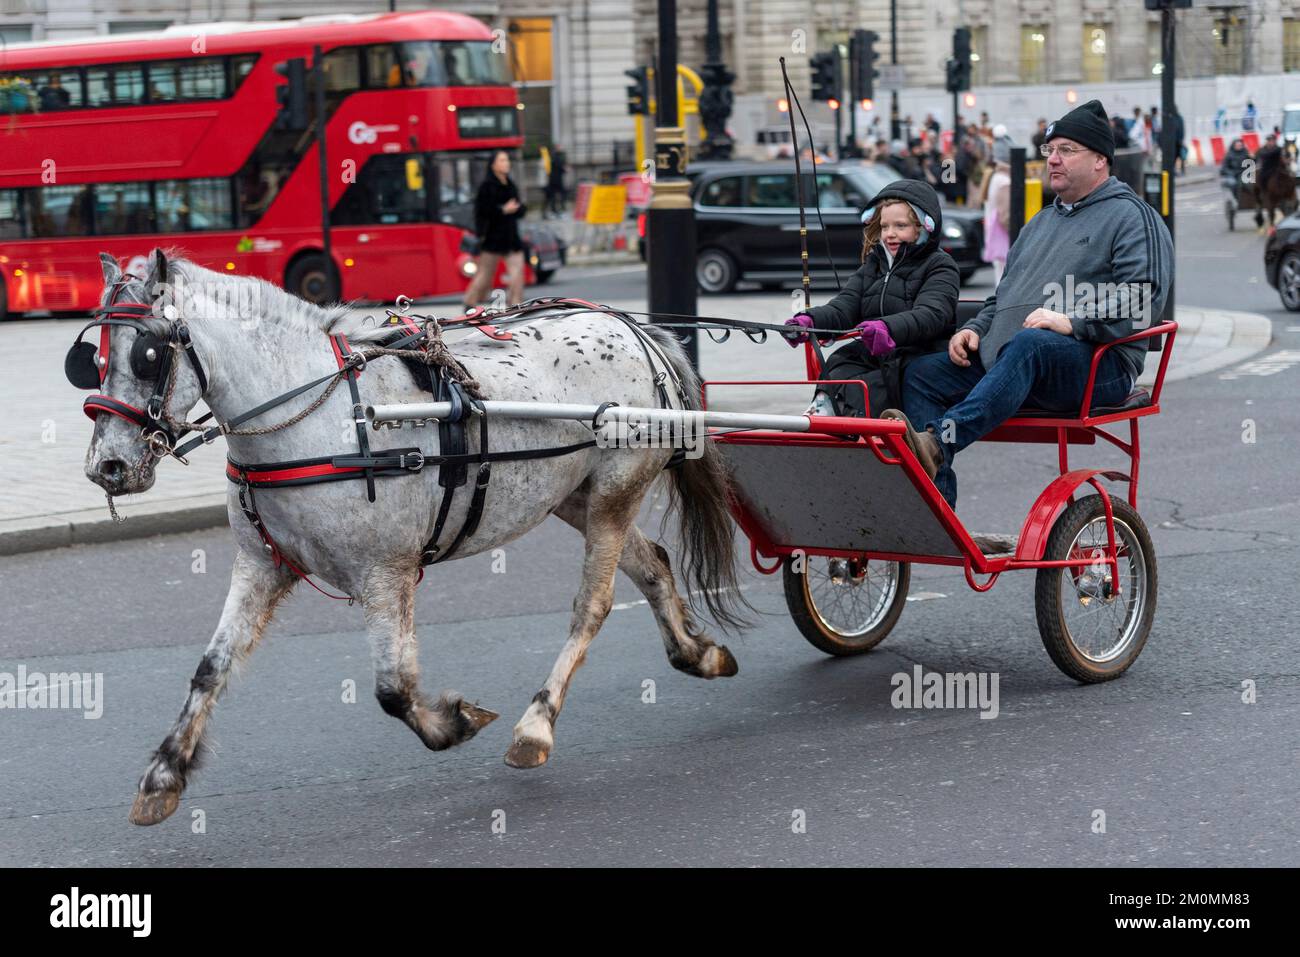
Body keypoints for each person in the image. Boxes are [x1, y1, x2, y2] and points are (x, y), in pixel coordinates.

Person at [890, 99, 1173, 510]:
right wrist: (976, 329)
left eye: (1066, 150)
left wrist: (1073, 321)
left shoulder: (1131, 216)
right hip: (1014, 361)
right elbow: (1003, 295)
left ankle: (935, 442)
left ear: (1099, 160)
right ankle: (933, 508)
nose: (1052, 160)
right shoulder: (1041, 222)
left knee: (1030, 345)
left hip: (1096, 366)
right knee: (920, 373)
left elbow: (1144, 297)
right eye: (1049, 150)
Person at [783, 180, 959, 419]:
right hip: (877, 353)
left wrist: (887, 327)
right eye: (885, 226)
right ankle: (826, 410)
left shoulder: (940, 265)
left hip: (918, 353)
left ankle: (856, 422)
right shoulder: (874, 264)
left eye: (901, 225)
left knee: (880, 380)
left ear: (923, 228)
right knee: (841, 360)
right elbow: (845, 306)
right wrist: (808, 321)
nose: (890, 234)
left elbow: (933, 314)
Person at [463, 150, 527, 308]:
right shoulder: (487, 186)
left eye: (507, 160)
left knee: (517, 273)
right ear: (493, 165)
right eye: (502, 160)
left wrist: (516, 209)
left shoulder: (510, 184)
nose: (507, 163)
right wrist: (503, 209)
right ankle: (469, 302)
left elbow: (520, 208)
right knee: (485, 274)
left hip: (511, 237)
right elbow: (483, 211)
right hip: (493, 238)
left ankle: (515, 305)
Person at [982, 136, 1013, 285]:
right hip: (1004, 237)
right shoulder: (1005, 181)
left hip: (994, 235)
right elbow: (1006, 216)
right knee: (1004, 277)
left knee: (999, 274)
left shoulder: (995, 176)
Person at [544, 144, 567, 217]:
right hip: (555, 179)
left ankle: (556, 209)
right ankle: (556, 209)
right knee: (552, 195)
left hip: (555, 178)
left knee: (554, 195)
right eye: (559, 147)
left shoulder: (556, 155)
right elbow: (558, 165)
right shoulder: (554, 156)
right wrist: (564, 169)